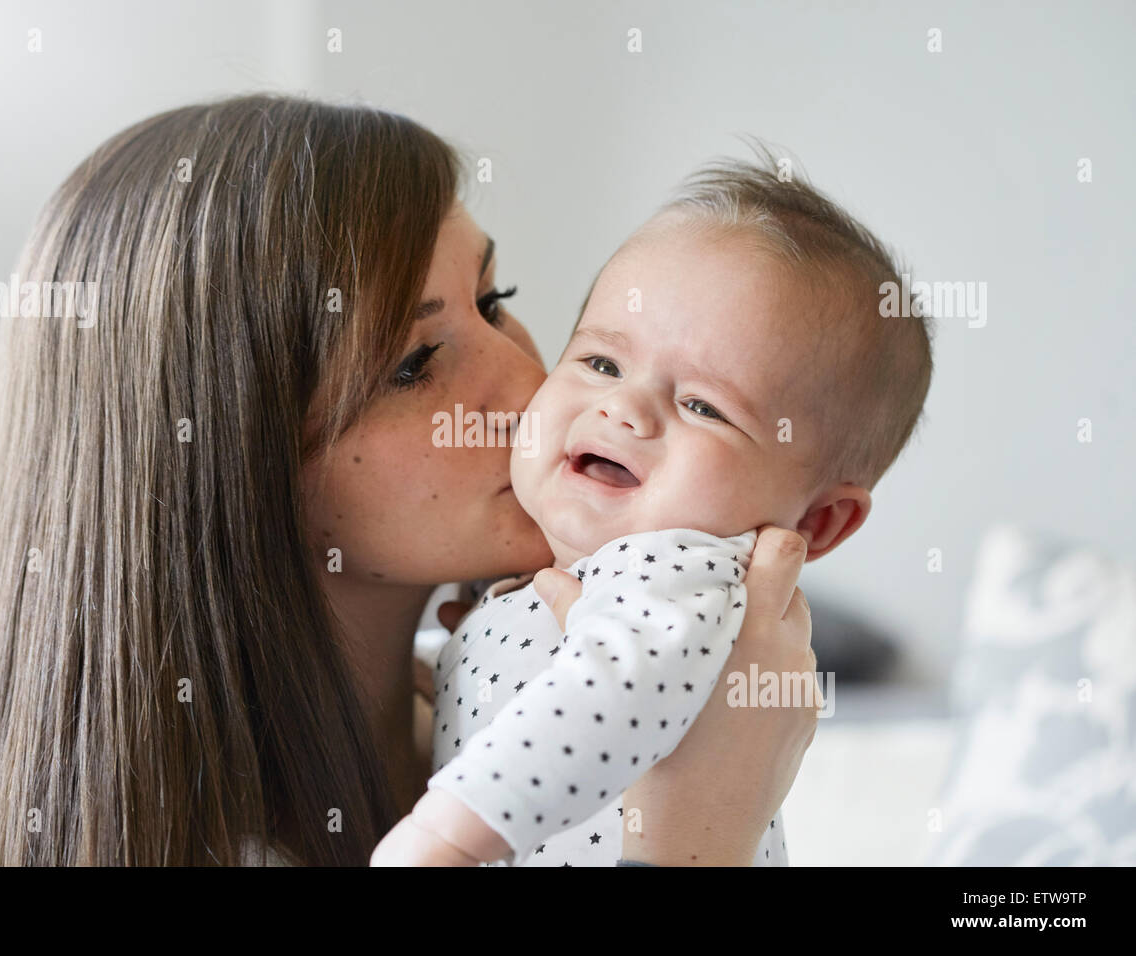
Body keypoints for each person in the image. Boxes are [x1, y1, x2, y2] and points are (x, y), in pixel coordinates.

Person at [0, 94, 817, 867]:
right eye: (416, 363)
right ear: (234, 465)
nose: (530, 386)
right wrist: (697, 831)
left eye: (494, 302)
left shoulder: (527, 708)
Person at [373, 153, 933, 866]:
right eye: (602, 364)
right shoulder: (573, 580)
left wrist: (448, 833)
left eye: (704, 406)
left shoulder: (683, 570)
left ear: (817, 521)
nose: (625, 408)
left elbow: (615, 693)